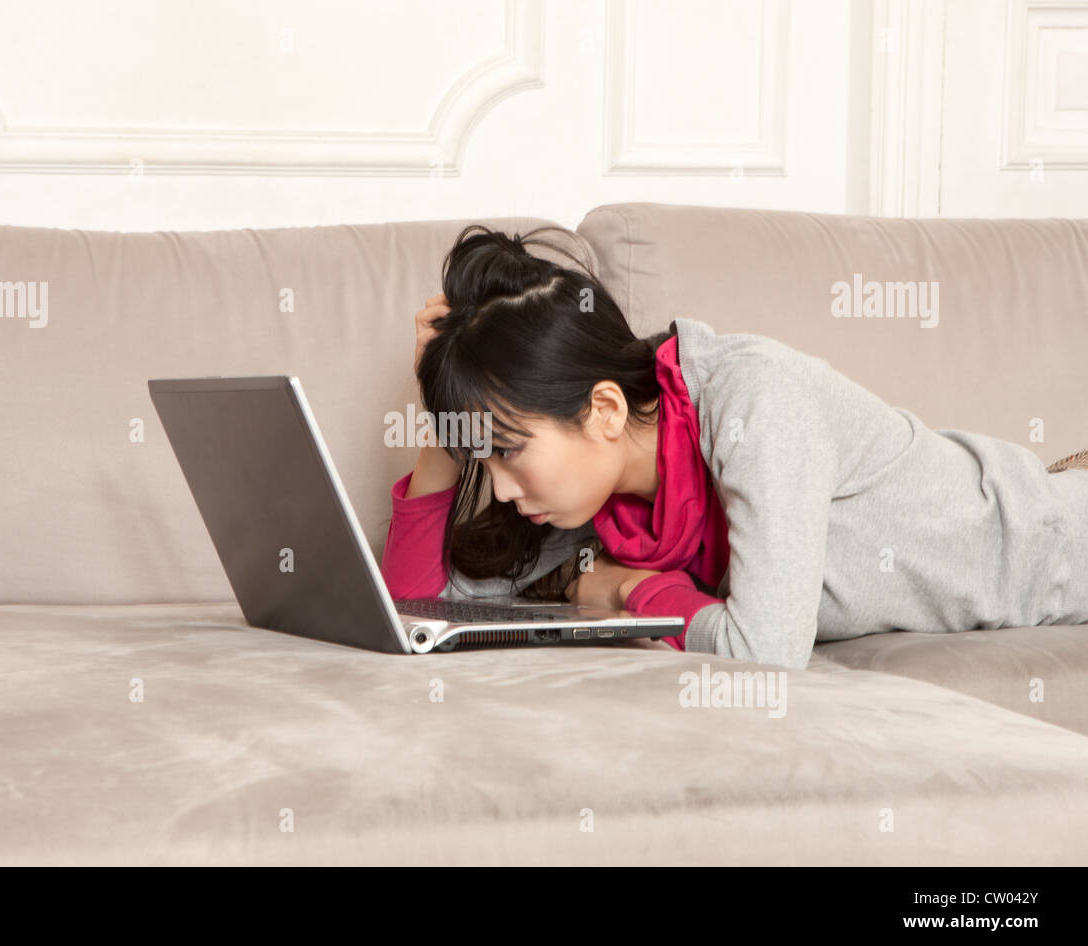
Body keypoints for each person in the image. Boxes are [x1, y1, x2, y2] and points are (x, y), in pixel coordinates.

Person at [380, 224, 1088, 669]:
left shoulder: (756, 401)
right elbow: (420, 611)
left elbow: (766, 652)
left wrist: (634, 590)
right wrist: (445, 417)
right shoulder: (602, 496)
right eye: (485, 457)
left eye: (508, 451)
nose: (499, 487)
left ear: (602, 408)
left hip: (1052, 544)